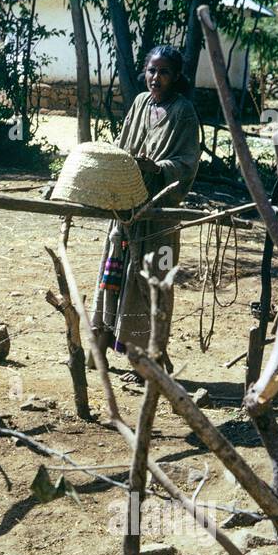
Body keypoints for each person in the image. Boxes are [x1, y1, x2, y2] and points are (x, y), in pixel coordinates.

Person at [91, 45, 201, 381]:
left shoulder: (183, 113)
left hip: (159, 215)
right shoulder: (140, 103)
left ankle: (149, 360)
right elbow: (124, 147)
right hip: (127, 208)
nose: (156, 78)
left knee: (152, 283)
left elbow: (187, 163)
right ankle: (108, 347)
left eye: (164, 72)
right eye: (152, 70)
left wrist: (158, 169)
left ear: (176, 76)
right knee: (116, 279)